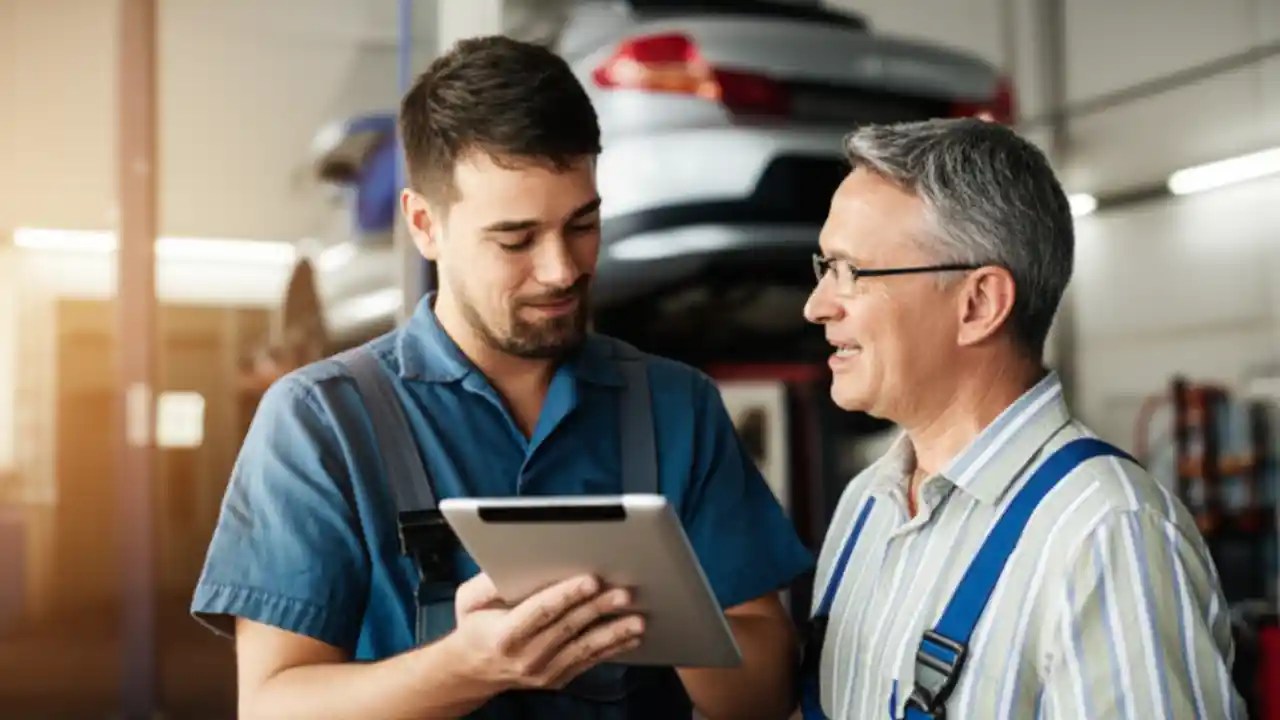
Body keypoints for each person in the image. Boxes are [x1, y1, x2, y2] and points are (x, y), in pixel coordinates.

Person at [191, 36, 812, 720]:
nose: (562, 269)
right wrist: (465, 667)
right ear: (425, 225)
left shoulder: (677, 407)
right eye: (515, 240)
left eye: (583, 223)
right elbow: (274, 706)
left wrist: (658, 603)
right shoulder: (319, 422)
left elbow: (763, 697)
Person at [799, 118, 1244, 719]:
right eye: (822, 268)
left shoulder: (1106, 532)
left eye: (850, 272)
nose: (817, 305)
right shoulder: (865, 507)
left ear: (978, 304)